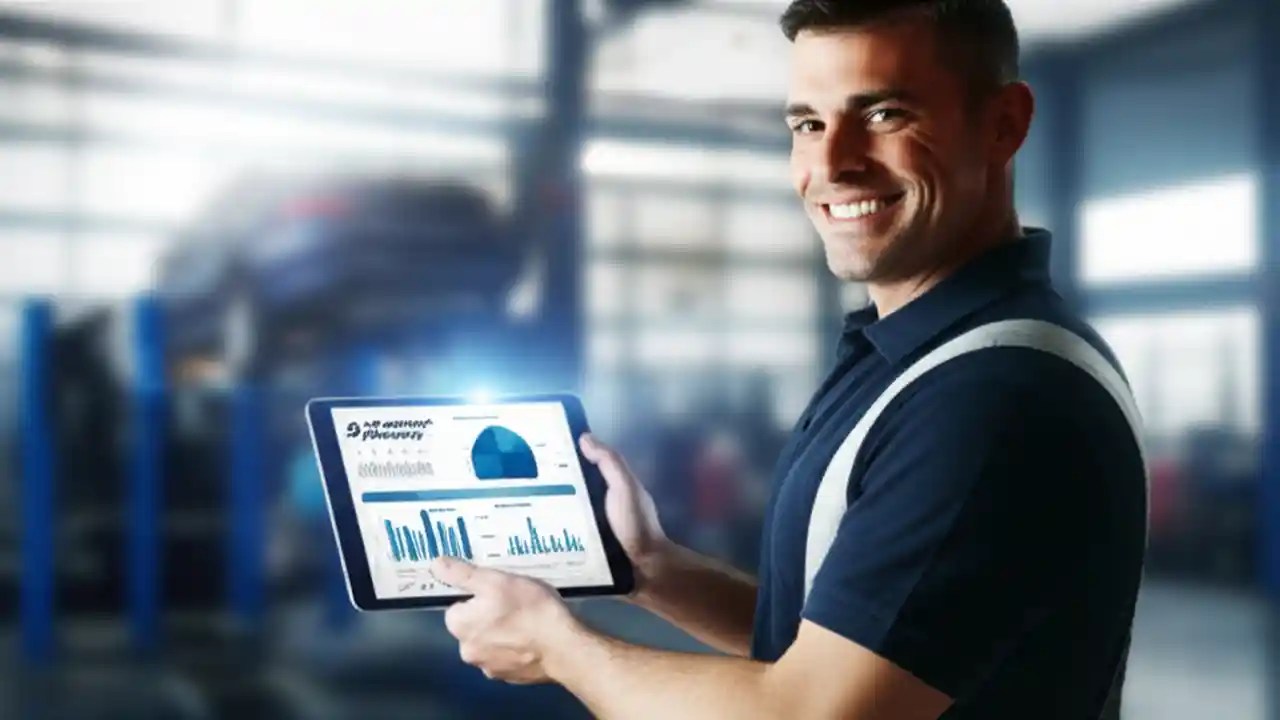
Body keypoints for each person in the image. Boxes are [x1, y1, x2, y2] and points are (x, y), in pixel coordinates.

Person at [431, 1, 1148, 717]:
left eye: (884, 115)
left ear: (1004, 124)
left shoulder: (992, 394)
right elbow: (852, 644)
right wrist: (650, 568)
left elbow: (810, 712)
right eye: (807, 124)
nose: (832, 164)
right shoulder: (904, 355)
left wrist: (558, 646)